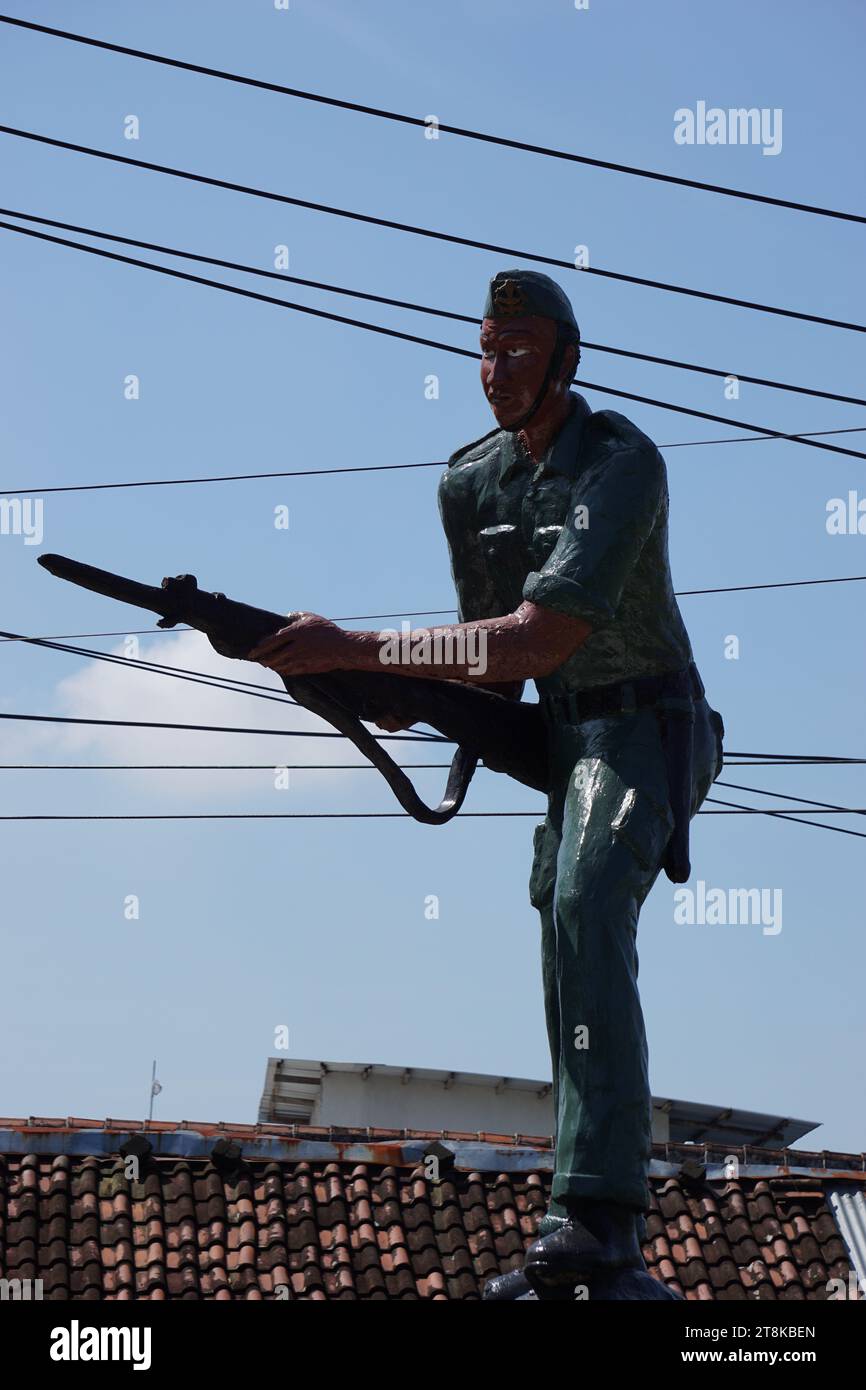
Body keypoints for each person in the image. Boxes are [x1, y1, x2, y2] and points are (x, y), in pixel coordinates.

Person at [249, 268, 724, 1299]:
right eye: (481, 348)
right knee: (556, 919)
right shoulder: (472, 484)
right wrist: (384, 688)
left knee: (588, 898)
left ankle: (603, 1210)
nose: (492, 369)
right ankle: (573, 1205)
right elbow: (481, 664)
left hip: (647, 724)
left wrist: (360, 644)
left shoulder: (619, 462)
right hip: (559, 736)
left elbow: (534, 635)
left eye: (514, 349)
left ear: (563, 359)